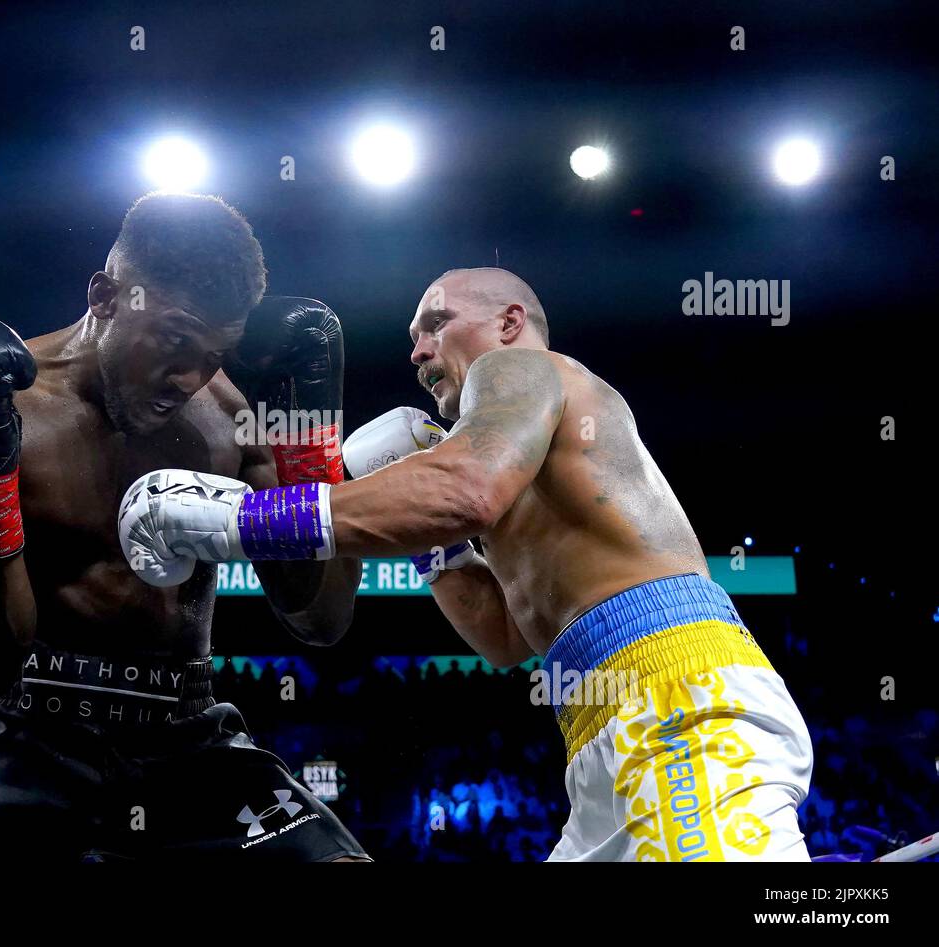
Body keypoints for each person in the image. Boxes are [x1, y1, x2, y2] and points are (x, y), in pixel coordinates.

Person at [118, 266, 813, 862]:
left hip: (677, 704)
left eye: (436, 323)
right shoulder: (523, 461)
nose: (418, 351)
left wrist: (236, 522)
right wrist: (434, 544)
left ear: (511, 321)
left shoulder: (522, 368)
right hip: (600, 719)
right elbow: (505, 640)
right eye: (413, 337)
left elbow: (465, 491)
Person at [0, 192, 369, 861]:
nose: (191, 377)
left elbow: (320, 618)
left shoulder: (226, 419)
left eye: (218, 353)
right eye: (175, 340)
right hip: (23, 740)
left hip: (193, 743)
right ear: (105, 297)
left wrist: (310, 442)